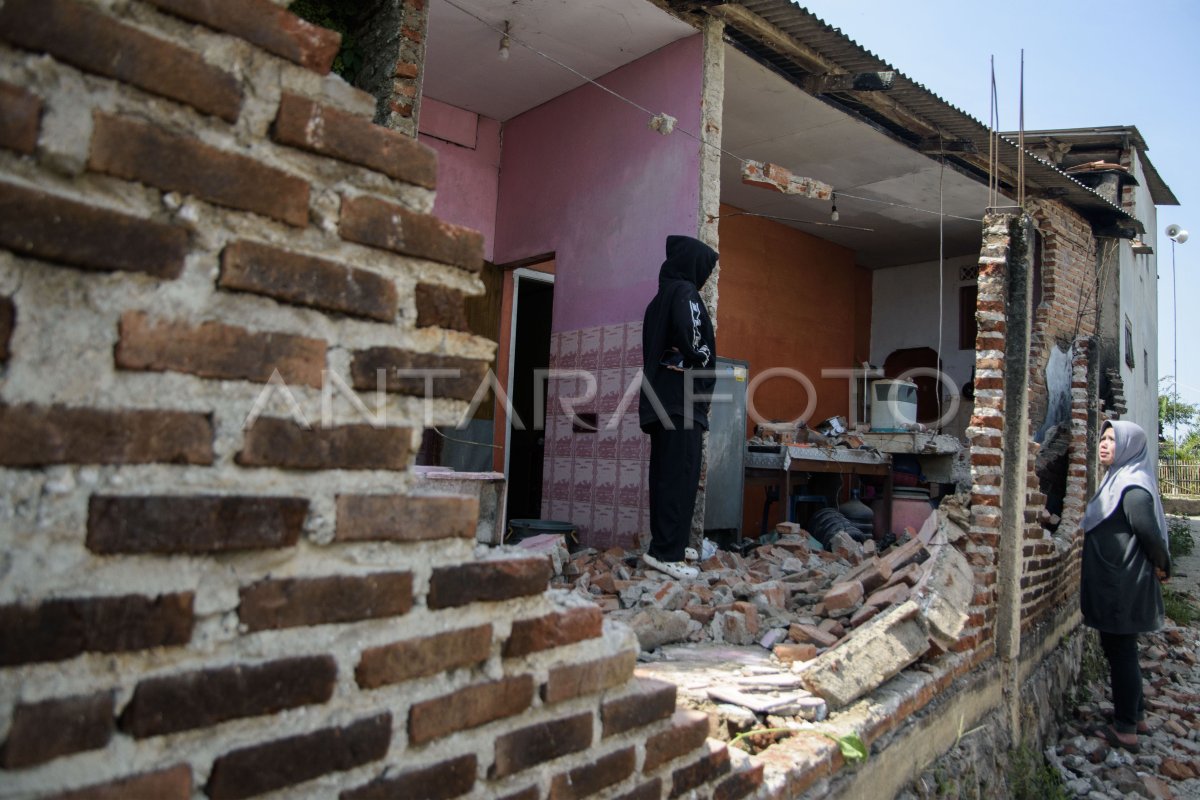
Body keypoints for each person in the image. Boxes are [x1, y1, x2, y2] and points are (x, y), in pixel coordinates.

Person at [1081, 420, 1171, 753]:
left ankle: (1126, 729)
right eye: (1103, 438)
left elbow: (1148, 532)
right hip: (1116, 581)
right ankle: (1136, 715)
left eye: (1113, 440)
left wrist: (1163, 564)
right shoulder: (1117, 480)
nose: (1104, 444)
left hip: (1124, 583)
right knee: (1121, 649)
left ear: (1130, 447)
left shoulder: (1132, 487)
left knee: (1121, 651)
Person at [638, 235, 718, 581]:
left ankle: (670, 545)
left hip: (663, 402)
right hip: (681, 402)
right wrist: (700, 361)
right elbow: (693, 338)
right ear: (693, 265)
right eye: (706, 270)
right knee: (679, 476)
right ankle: (666, 553)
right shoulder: (685, 293)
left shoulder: (658, 300)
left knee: (667, 476)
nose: (707, 278)